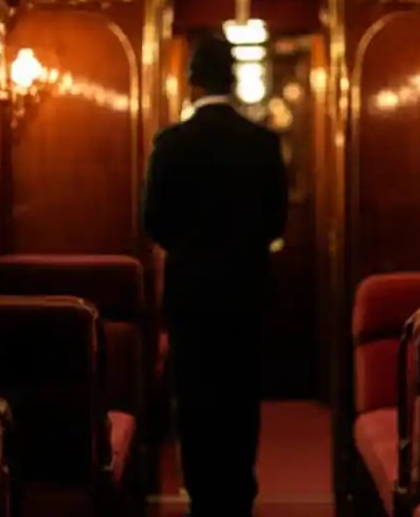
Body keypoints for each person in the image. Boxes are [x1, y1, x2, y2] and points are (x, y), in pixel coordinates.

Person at [142, 33, 288, 517]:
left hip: (190, 294)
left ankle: (202, 497)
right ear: (233, 80)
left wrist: (191, 248)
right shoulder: (263, 143)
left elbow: (155, 224)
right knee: (241, 397)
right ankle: (238, 495)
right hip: (246, 291)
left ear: (191, 83)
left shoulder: (171, 143)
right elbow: (276, 223)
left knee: (196, 396)